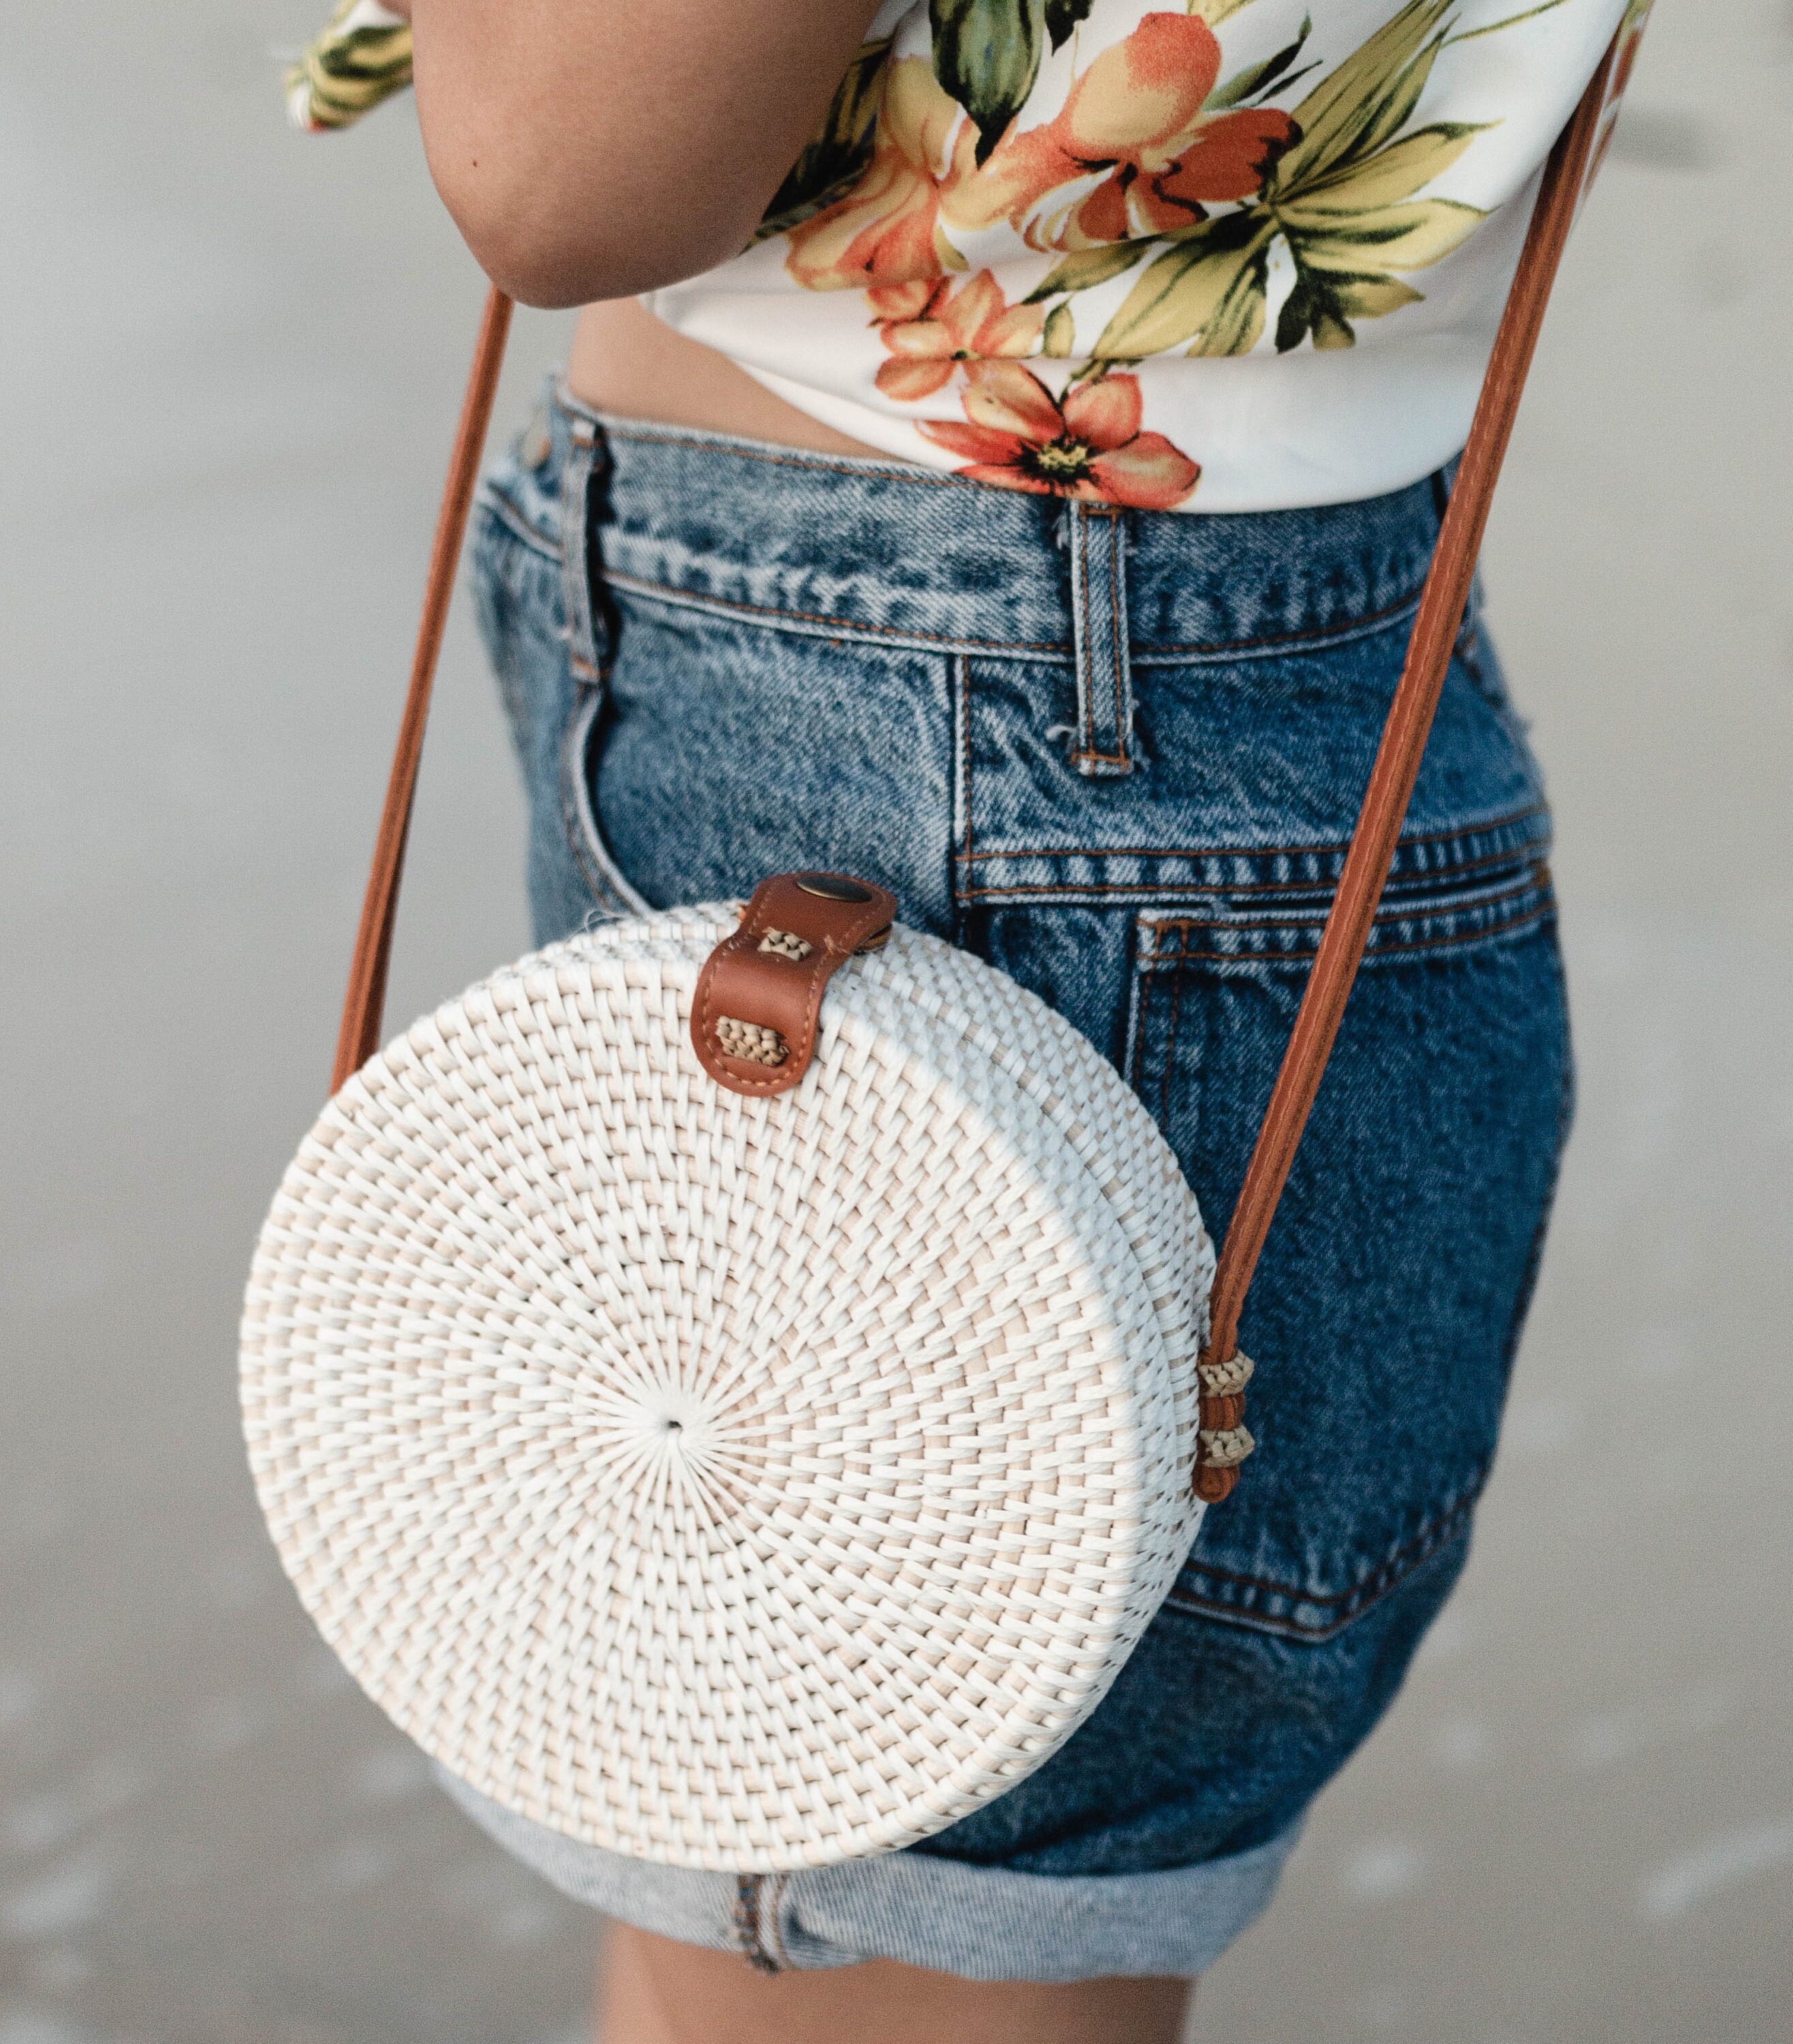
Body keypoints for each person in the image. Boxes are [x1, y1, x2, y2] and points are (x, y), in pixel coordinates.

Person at [291, 4, 1647, 2039]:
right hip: (1225, 686)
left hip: (961, 719)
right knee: (830, 1930)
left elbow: (567, 170)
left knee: (847, 1945)